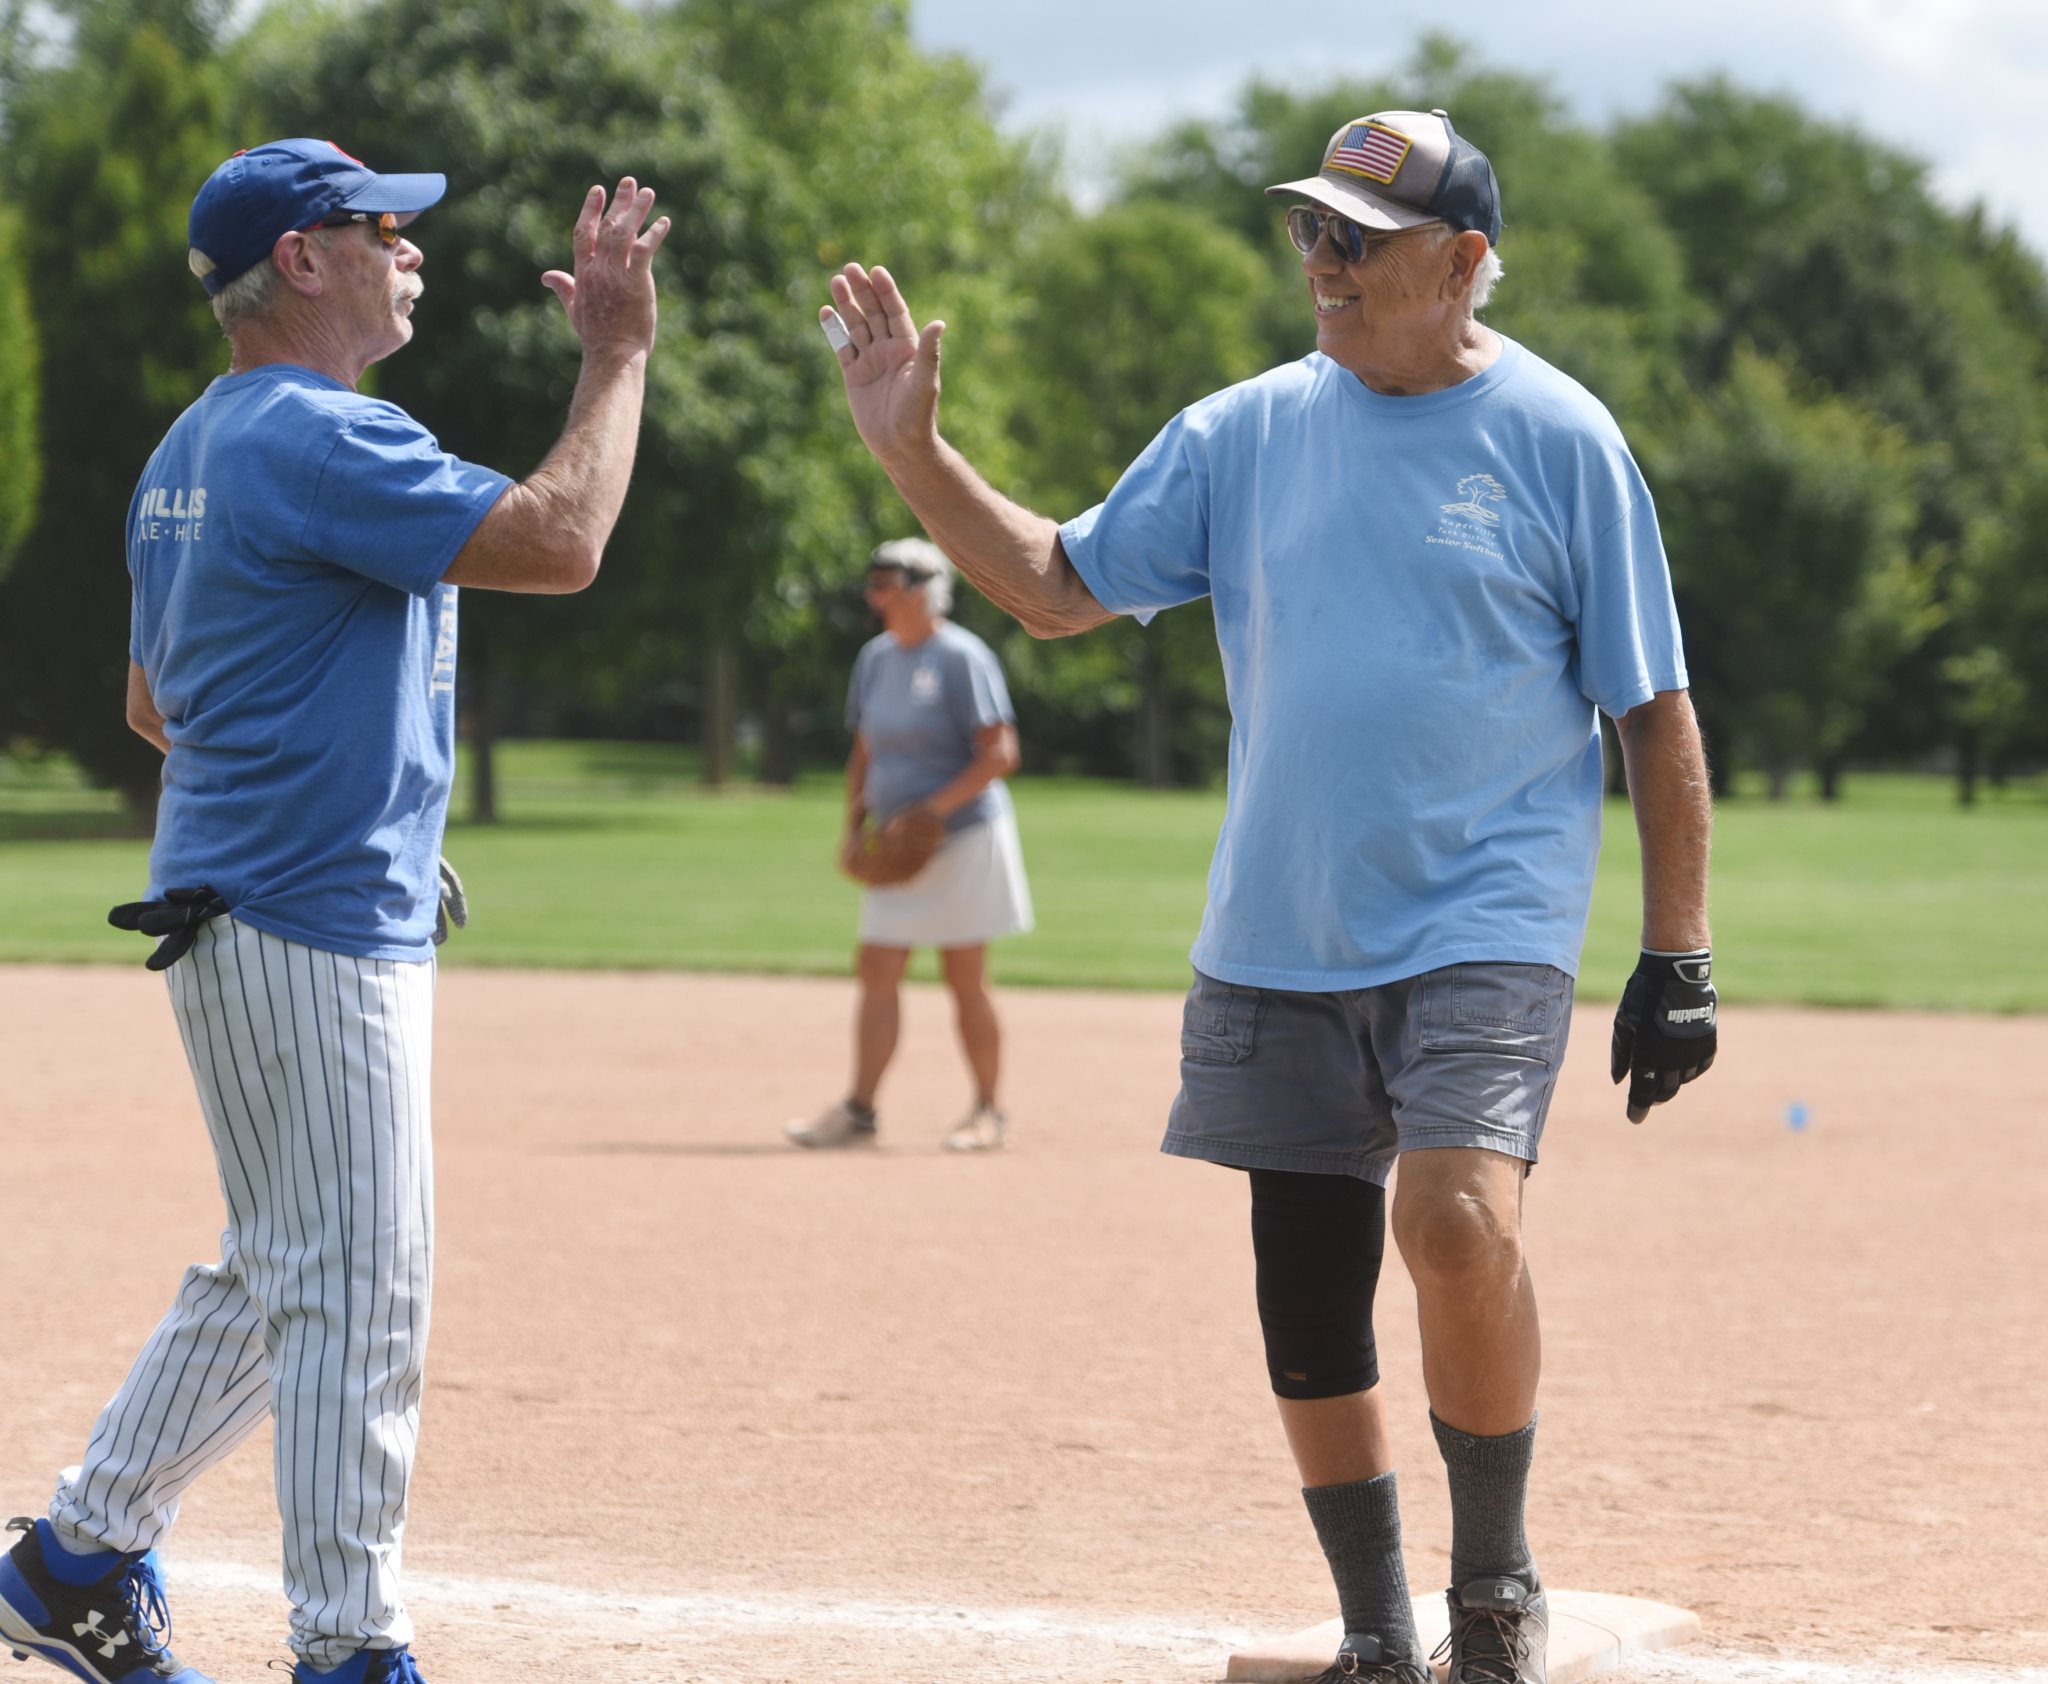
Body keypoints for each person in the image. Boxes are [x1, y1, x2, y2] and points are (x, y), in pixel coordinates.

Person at [816, 108, 1717, 1684]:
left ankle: (1493, 1589)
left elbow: (1652, 707)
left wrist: (1678, 953)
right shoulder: (1240, 432)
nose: (1326, 262)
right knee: (1306, 1286)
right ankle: (1378, 1629)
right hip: (1280, 927)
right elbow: (1052, 586)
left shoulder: (1563, 438)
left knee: (1446, 1221)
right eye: (1313, 230)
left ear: (1467, 264)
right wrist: (910, 448)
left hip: (1484, 920)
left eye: (1361, 239)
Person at [0, 140, 669, 1684]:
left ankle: (73, 1556)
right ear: (303, 262)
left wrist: (345, 783)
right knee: (366, 1290)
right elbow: (562, 540)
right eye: (386, 228)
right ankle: (349, 1647)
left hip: (250, 900)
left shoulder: (196, 445)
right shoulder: (318, 434)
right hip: (306, 918)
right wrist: (618, 356)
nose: (413, 250)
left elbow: (156, 704)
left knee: (288, 1263)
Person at [786, 537, 1034, 1154]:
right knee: (877, 966)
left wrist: (928, 813)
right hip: (896, 840)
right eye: (871, 582)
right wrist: (853, 826)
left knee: (964, 974)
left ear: (922, 588)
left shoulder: (961, 657)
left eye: (885, 582)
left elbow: (1000, 754)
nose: (873, 593)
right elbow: (864, 751)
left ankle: (987, 1111)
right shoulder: (876, 659)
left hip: (965, 836)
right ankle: (860, 1111)